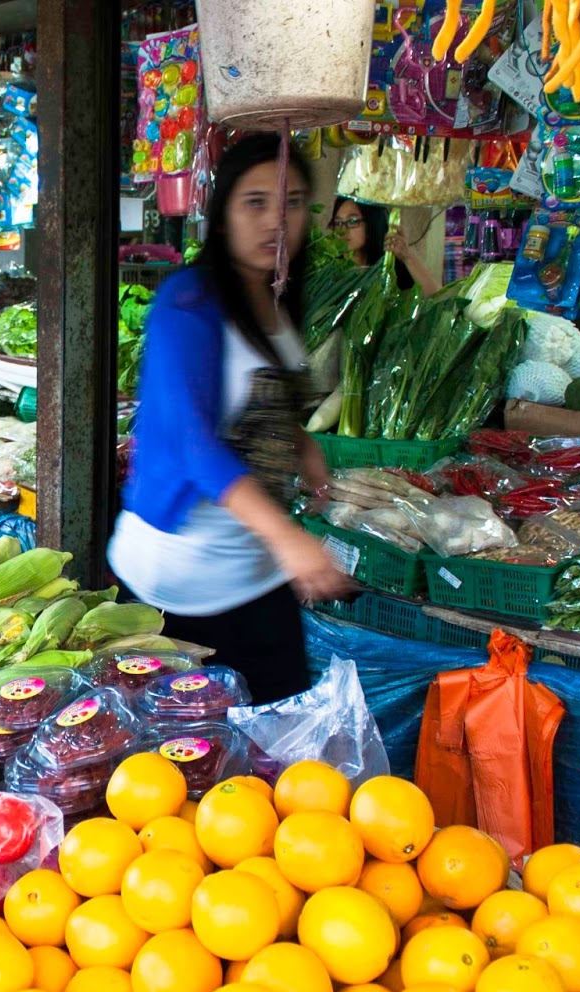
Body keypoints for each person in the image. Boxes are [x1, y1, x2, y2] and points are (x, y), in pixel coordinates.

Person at [109, 133, 356, 704]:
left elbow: (256, 394)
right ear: (222, 216)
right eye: (256, 202)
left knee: (278, 742)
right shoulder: (186, 303)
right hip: (178, 582)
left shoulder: (275, 294)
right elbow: (196, 442)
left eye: (292, 202)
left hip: (253, 569)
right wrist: (290, 538)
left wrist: (301, 444)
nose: (276, 220)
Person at [329, 195, 440, 295]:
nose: (342, 230)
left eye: (352, 221)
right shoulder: (327, 276)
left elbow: (436, 296)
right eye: (338, 223)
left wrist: (408, 257)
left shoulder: (389, 272)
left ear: (371, 224)